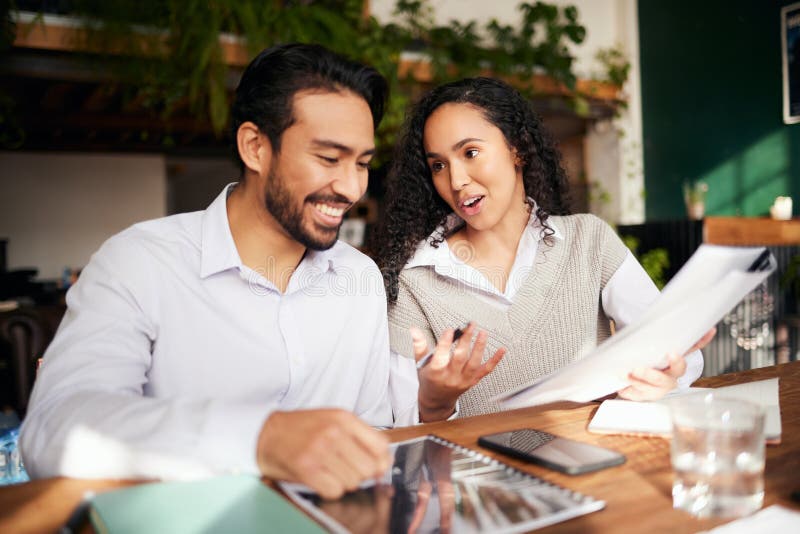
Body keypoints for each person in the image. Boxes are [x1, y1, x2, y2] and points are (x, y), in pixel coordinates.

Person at [20, 43, 491, 499]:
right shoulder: (139, 263)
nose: (350, 187)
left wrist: (430, 403)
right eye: (328, 158)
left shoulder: (360, 279)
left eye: (362, 163)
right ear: (255, 147)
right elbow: (53, 431)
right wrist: (260, 439)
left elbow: (373, 431)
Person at [373, 77, 714, 419]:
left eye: (470, 152)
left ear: (517, 148)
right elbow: (406, 428)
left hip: (597, 466)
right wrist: (436, 402)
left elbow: (676, 353)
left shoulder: (589, 241)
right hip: (484, 472)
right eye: (439, 165)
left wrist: (663, 377)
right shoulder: (415, 283)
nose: (456, 180)